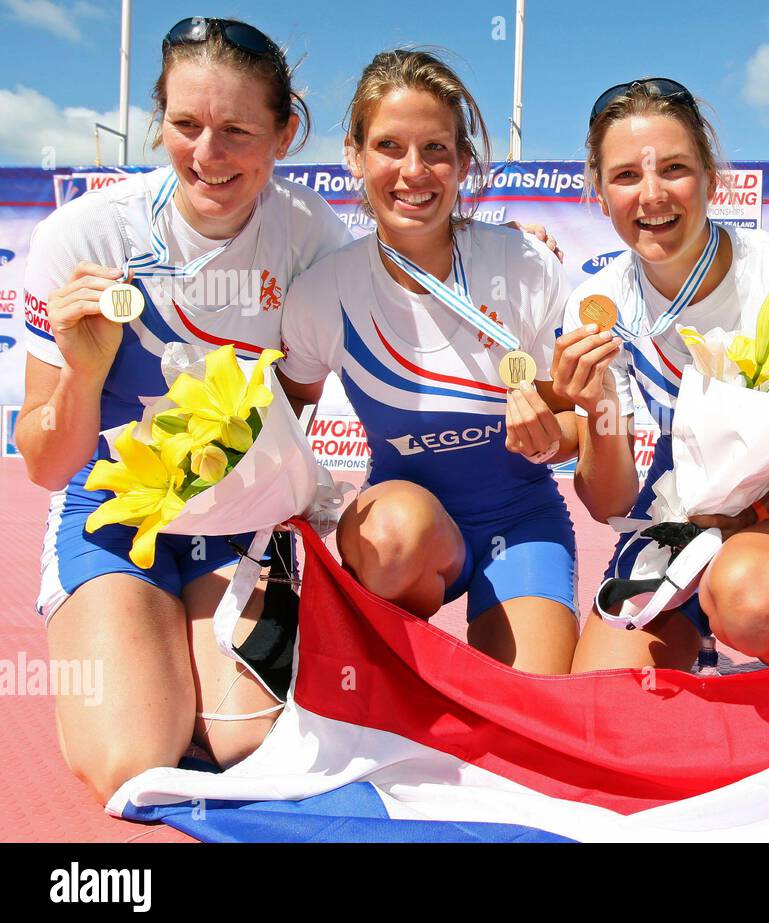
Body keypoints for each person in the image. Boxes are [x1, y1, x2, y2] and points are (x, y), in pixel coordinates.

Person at [16, 17, 353, 803]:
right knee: (131, 765)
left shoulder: (310, 236)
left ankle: (193, 657)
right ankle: (149, 647)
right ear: (159, 118)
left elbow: (306, 395)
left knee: (252, 744)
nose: (208, 155)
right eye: (185, 125)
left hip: (237, 518)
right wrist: (82, 370)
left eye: (237, 130)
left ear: (285, 132)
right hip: (111, 509)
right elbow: (46, 463)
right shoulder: (85, 234)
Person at [552, 78, 769, 673]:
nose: (652, 195)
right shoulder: (597, 305)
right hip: (672, 531)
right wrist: (597, 404)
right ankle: (708, 669)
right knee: (605, 702)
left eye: (674, 168)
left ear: (712, 177)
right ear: (599, 194)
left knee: (753, 601)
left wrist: (752, 515)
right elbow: (610, 502)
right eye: (626, 176)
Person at [277, 49, 580, 674]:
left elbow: (575, 432)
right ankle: (403, 666)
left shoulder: (524, 265)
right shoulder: (318, 293)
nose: (413, 171)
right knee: (391, 538)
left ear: (463, 161)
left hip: (519, 521)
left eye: (436, 149)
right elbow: (292, 404)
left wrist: (548, 441)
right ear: (355, 157)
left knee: (527, 717)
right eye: (389, 146)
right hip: (405, 533)